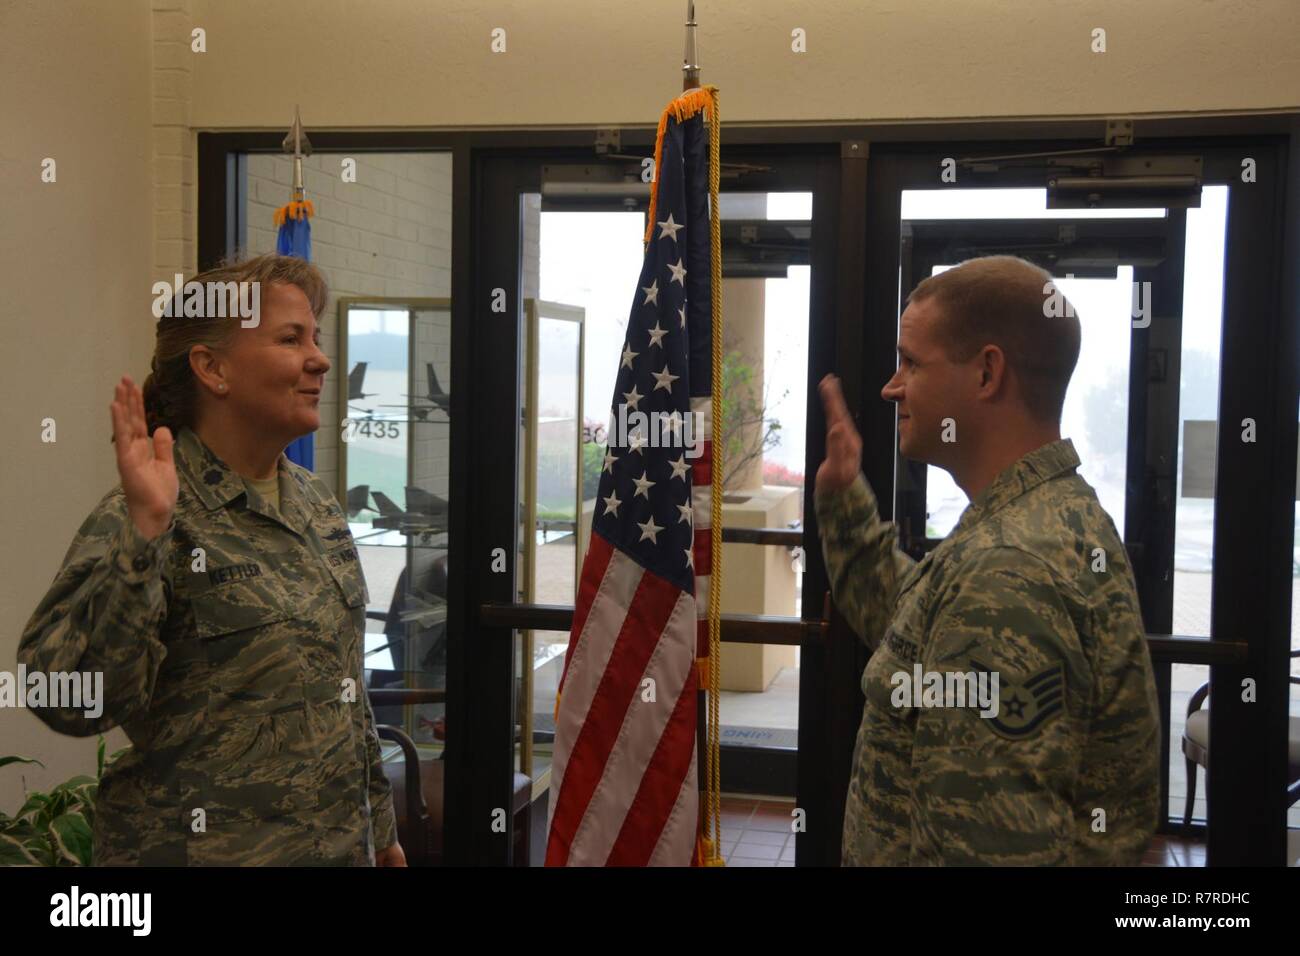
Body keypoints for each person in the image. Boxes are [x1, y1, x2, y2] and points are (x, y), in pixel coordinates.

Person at [19, 253, 404, 866]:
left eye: (316, 337)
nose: (320, 359)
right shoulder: (148, 512)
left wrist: (381, 834)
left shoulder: (317, 505)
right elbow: (64, 696)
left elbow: (346, 694)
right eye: (290, 338)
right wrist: (144, 537)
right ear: (212, 368)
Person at [815, 255, 1160, 865]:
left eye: (912, 362)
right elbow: (917, 625)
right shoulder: (1045, 519)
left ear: (986, 374)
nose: (891, 386)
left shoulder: (1009, 568)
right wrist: (845, 504)